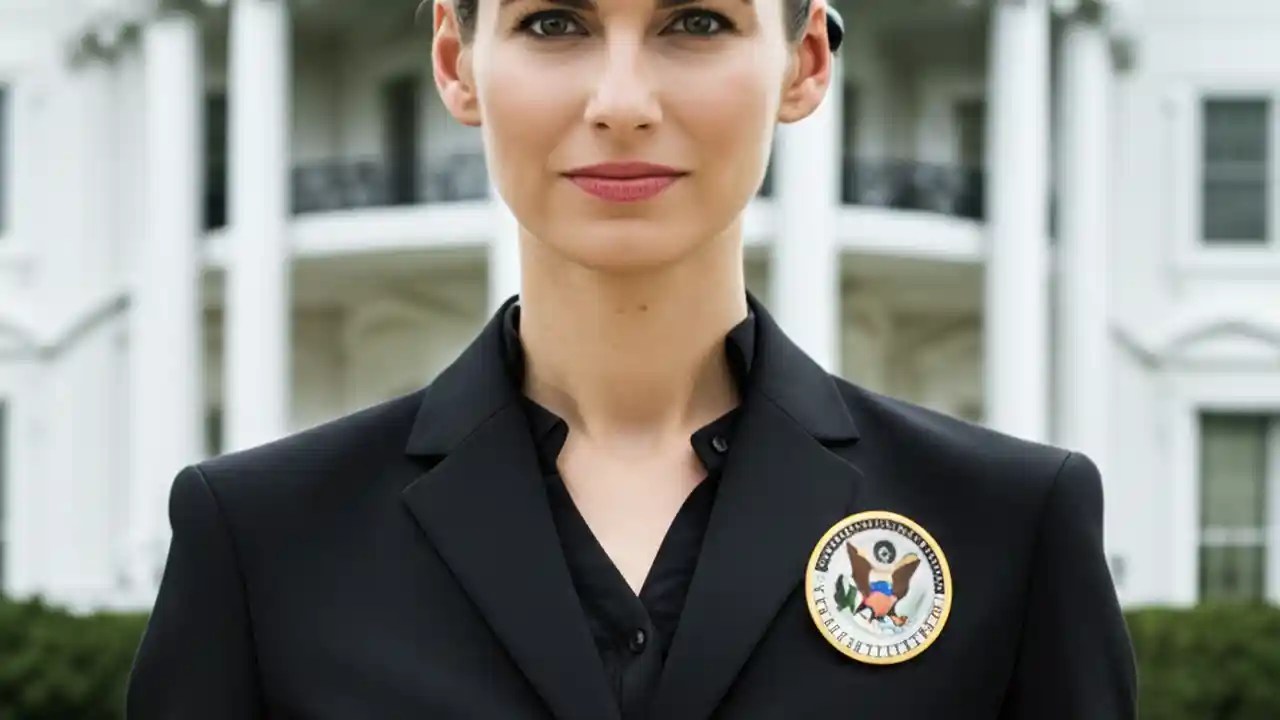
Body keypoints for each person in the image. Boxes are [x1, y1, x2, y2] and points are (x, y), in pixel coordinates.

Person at [126, 0, 1137, 717]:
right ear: (454, 61)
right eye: (553, 22)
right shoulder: (262, 545)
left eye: (694, 21)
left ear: (804, 64)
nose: (620, 100)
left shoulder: (1007, 527)